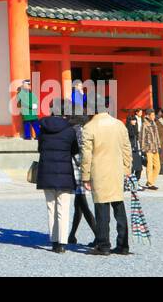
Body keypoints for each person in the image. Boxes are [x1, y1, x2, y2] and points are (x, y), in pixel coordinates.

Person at [80, 109, 132, 256]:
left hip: (99, 171)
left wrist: (85, 176)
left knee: (102, 209)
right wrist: (127, 168)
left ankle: (104, 245)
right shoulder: (119, 124)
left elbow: (86, 155)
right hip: (116, 170)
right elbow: (126, 148)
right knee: (119, 207)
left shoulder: (89, 127)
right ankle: (123, 245)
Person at [35, 109, 79, 253]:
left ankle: (53, 240)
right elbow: (74, 151)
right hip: (64, 173)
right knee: (63, 209)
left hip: (47, 172)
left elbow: (40, 148)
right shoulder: (70, 131)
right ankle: (62, 243)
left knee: (51, 208)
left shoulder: (43, 129)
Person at [67, 116, 97, 247]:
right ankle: (72, 235)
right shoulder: (82, 128)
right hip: (82, 167)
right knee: (78, 205)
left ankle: (98, 235)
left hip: (78, 168)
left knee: (82, 204)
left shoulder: (75, 129)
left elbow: (79, 150)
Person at [139, 109, 162, 190]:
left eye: (154, 115)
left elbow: (157, 136)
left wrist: (159, 146)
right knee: (149, 166)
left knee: (158, 166)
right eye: (152, 115)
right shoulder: (144, 124)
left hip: (155, 148)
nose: (153, 116)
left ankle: (151, 180)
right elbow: (141, 137)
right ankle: (150, 183)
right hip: (148, 148)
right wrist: (143, 149)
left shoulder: (154, 123)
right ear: (148, 116)